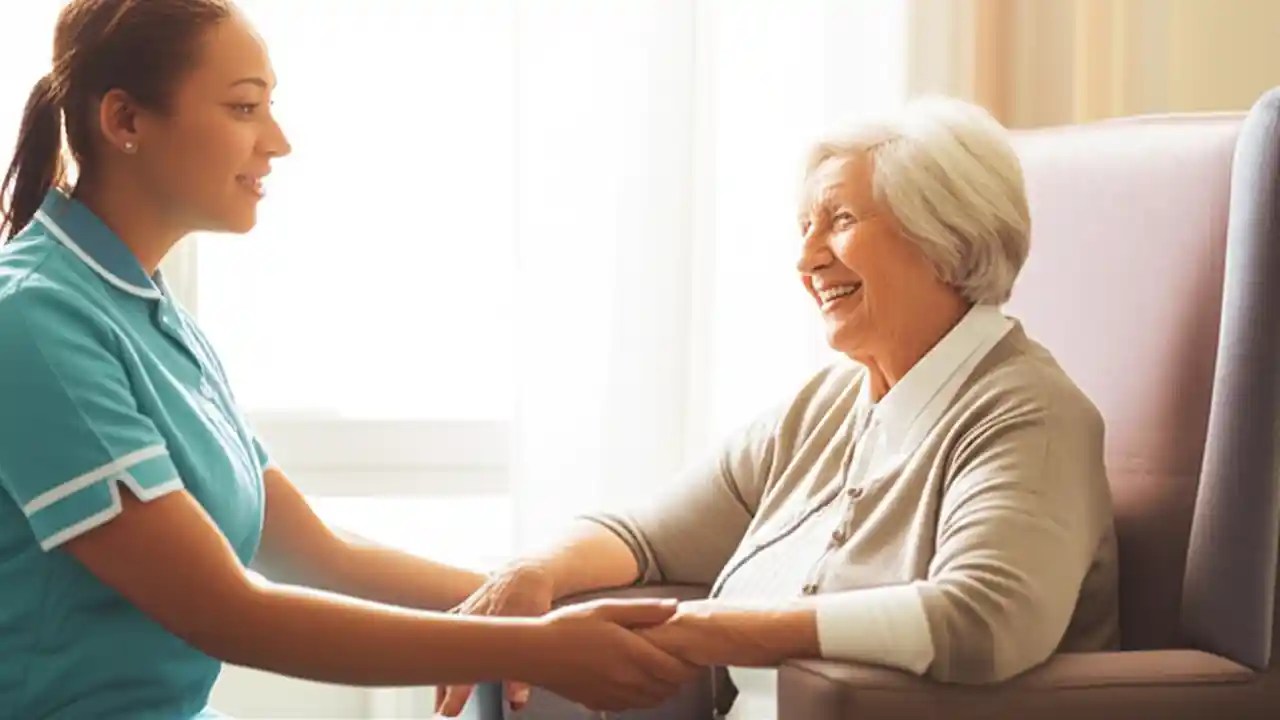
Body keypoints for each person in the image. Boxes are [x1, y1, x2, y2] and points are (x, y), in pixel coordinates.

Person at [0, 2, 696, 718]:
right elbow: (227, 615)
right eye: (244, 108)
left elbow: (321, 553)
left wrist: (522, 594)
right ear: (126, 122)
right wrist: (531, 648)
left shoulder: (153, 318)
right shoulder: (32, 319)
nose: (278, 142)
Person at [438, 97, 1121, 719]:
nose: (805, 259)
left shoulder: (1030, 415)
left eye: (840, 221)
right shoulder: (825, 406)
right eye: (804, 227)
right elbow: (648, 537)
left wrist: (706, 630)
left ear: (947, 237)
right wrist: (535, 572)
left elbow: (984, 619)